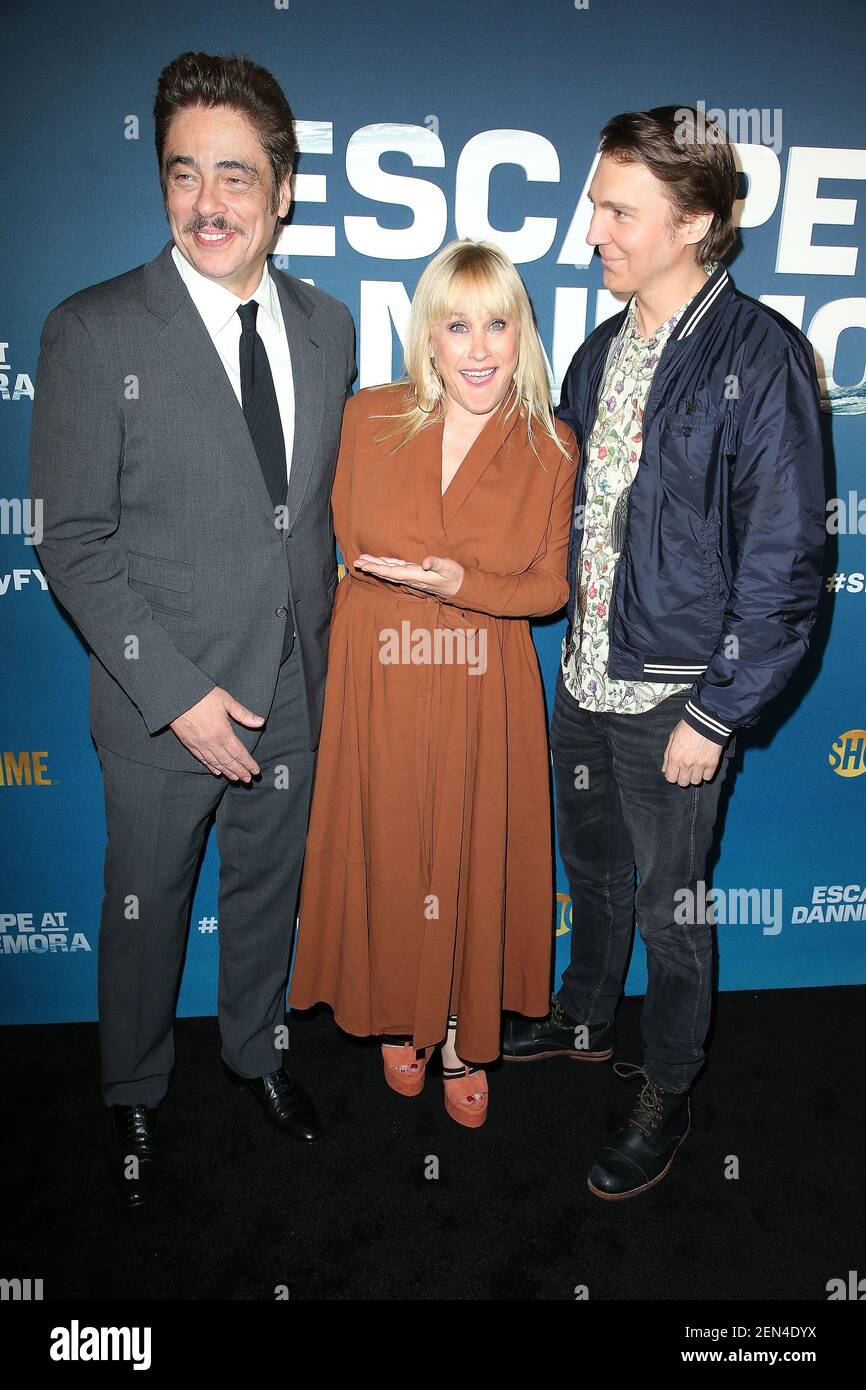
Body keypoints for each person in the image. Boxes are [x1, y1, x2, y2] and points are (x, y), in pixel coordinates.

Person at [28, 51, 356, 1206]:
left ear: (283, 192)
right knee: (145, 909)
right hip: (159, 705)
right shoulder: (92, 329)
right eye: (183, 175)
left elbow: (306, 522)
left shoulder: (329, 326)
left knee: (269, 894)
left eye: (233, 175)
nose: (207, 203)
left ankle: (257, 1053)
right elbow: (71, 540)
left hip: (295, 689)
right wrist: (174, 692)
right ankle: (132, 1096)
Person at [502, 107, 825, 1197]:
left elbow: (781, 563)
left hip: (676, 699)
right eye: (595, 203)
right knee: (591, 872)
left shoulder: (760, 355)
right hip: (583, 681)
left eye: (615, 210)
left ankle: (670, 1088)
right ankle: (586, 1016)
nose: (588, 228)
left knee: (672, 910)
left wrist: (716, 713)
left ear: (693, 221)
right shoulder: (603, 348)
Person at [289, 239, 578, 1127]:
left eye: (499, 323)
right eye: (459, 325)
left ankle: (459, 1033)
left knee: (467, 854)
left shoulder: (550, 443)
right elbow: (325, 541)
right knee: (392, 848)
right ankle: (399, 1019)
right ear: (430, 334)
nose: (480, 347)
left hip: (484, 681)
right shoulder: (368, 418)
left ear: (522, 332)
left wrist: (467, 587)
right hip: (379, 681)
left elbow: (553, 587)